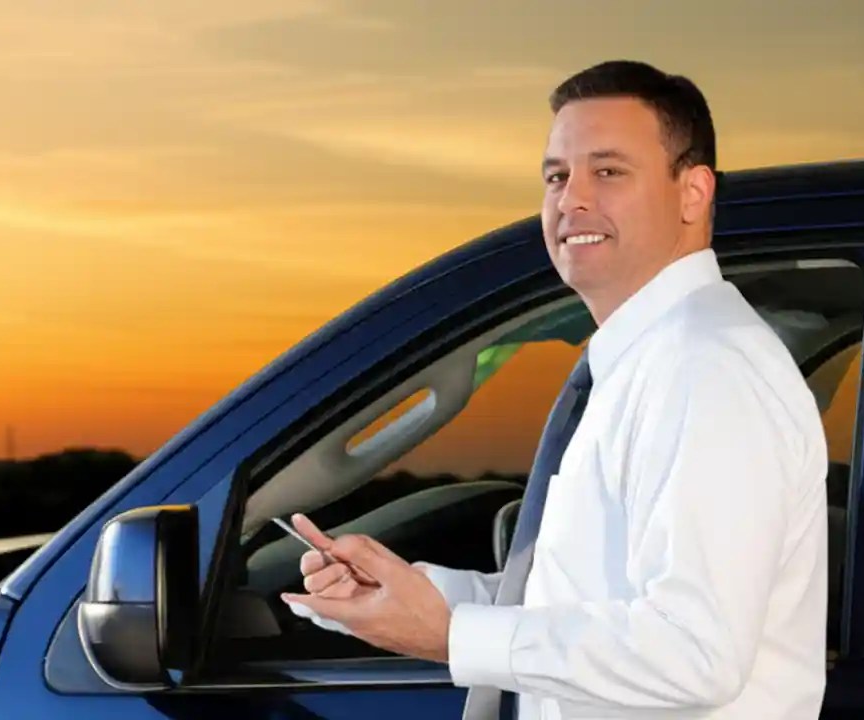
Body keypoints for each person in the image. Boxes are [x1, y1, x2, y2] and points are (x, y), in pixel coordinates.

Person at [281, 59, 830, 719]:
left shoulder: (707, 368)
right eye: (556, 176)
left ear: (692, 193)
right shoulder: (642, 362)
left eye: (608, 172)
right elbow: (579, 606)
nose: (572, 200)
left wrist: (454, 636)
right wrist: (410, 599)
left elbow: (695, 651)